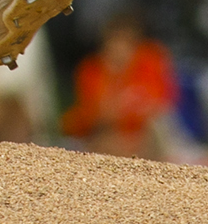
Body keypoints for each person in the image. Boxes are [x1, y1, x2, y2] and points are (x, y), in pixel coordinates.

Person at [57, 9, 199, 162]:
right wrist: (114, 81)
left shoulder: (150, 60)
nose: (119, 48)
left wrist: (124, 110)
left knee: (160, 125)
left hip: (146, 136)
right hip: (105, 137)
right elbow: (91, 114)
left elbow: (162, 103)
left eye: (125, 42)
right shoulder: (91, 69)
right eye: (114, 42)